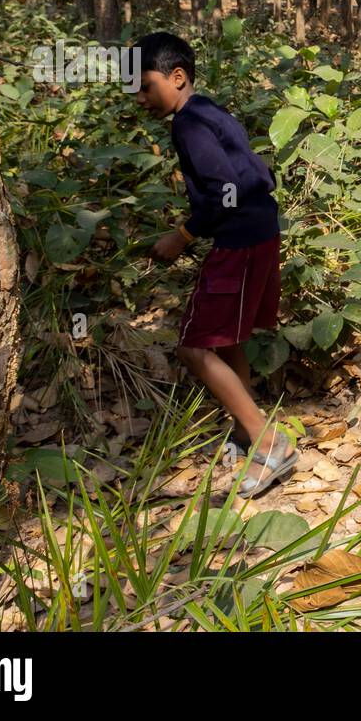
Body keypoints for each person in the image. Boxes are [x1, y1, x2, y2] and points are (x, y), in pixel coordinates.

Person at [133, 31, 295, 499]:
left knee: (194, 347)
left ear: (176, 77)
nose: (141, 99)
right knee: (230, 339)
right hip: (260, 232)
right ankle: (246, 433)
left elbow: (227, 187)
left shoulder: (189, 124)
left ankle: (270, 443)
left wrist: (183, 235)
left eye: (146, 86)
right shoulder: (208, 110)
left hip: (240, 241)